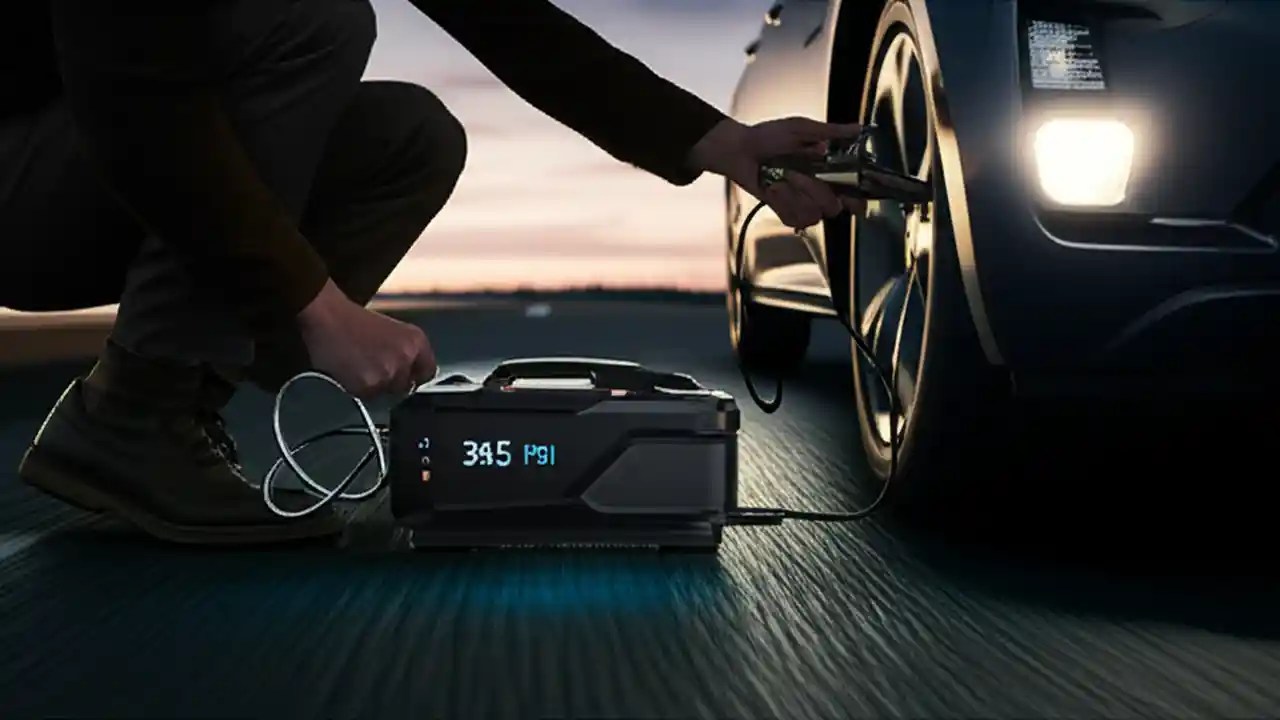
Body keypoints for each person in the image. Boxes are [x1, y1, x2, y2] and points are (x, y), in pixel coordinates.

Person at [0, 0, 863, 545]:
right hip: (31, 178)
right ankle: (133, 410)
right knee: (319, 19)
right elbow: (136, 105)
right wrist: (316, 305)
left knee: (412, 136)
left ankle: (191, 391)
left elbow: (519, 30)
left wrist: (731, 146)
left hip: (107, 160)